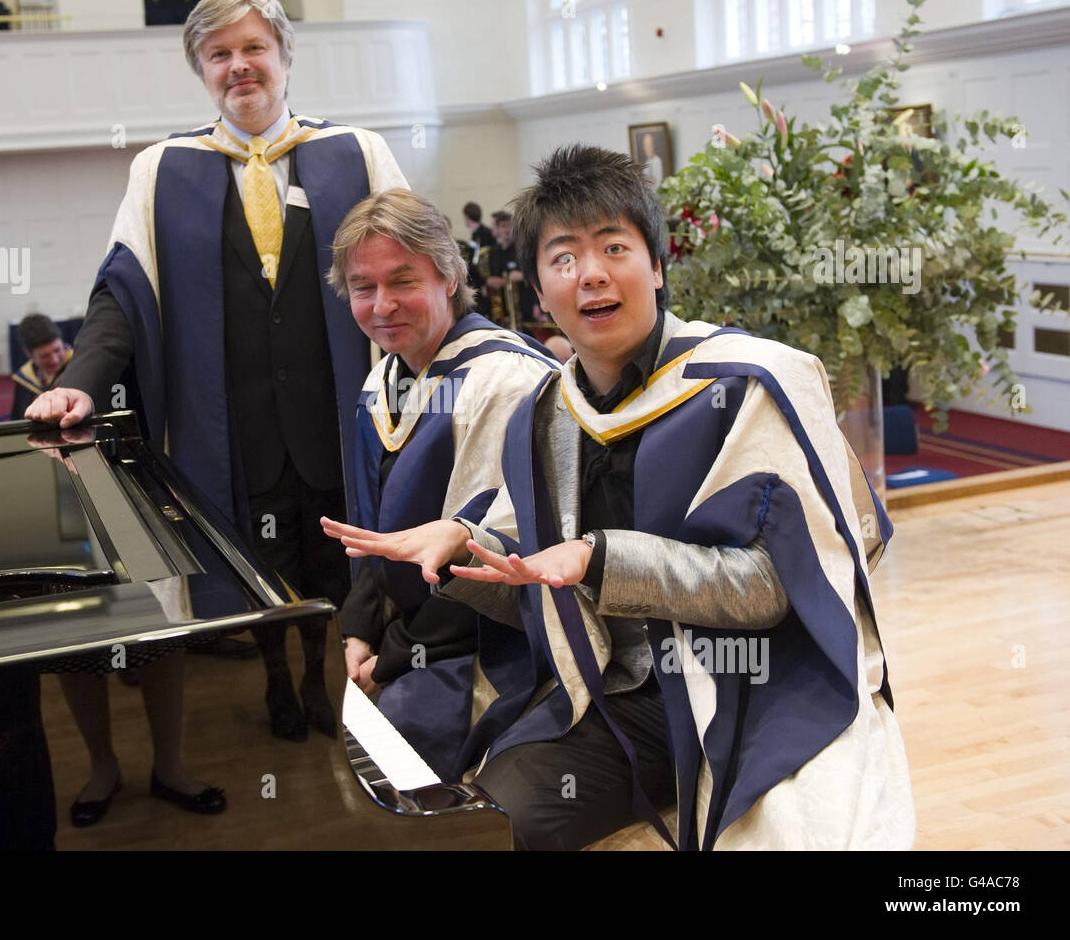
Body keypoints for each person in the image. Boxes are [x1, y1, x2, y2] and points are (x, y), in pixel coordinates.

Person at [323, 145, 915, 850]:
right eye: (564, 257)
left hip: (753, 689)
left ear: (658, 265)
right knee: (503, 821)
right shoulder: (545, 413)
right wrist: (463, 552)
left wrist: (601, 558)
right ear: (539, 290)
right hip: (615, 696)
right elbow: (534, 587)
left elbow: (775, 587)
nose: (591, 273)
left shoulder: (748, 384)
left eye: (614, 247)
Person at [25, 0, 408, 747]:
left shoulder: (355, 153)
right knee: (257, 566)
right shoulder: (162, 170)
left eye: (253, 48)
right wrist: (77, 383)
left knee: (337, 567)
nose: (240, 66)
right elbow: (121, 296)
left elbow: (417, 273)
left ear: (285, 57)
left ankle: (322, 678)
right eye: (218, 54)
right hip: (233, 431)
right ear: (201, 70)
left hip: (338, 424)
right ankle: (274, 675)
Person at [324, 189, 557, 781]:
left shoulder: (501, 379)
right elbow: (374, 533)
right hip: (415, 631)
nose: (382, 306)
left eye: (403, 281)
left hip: (491, 640)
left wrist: (391, 661)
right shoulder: (385, 378)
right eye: (362, 288)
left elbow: (489, 558)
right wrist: (357, 630)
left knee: (393, 756)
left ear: (450, 276)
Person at [10, 314, 73, 420]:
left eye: (57, 350)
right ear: (28, 354)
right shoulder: (25, 378)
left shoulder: (78, 367)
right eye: (45, 356)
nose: (55, 359)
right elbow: (17, 418)